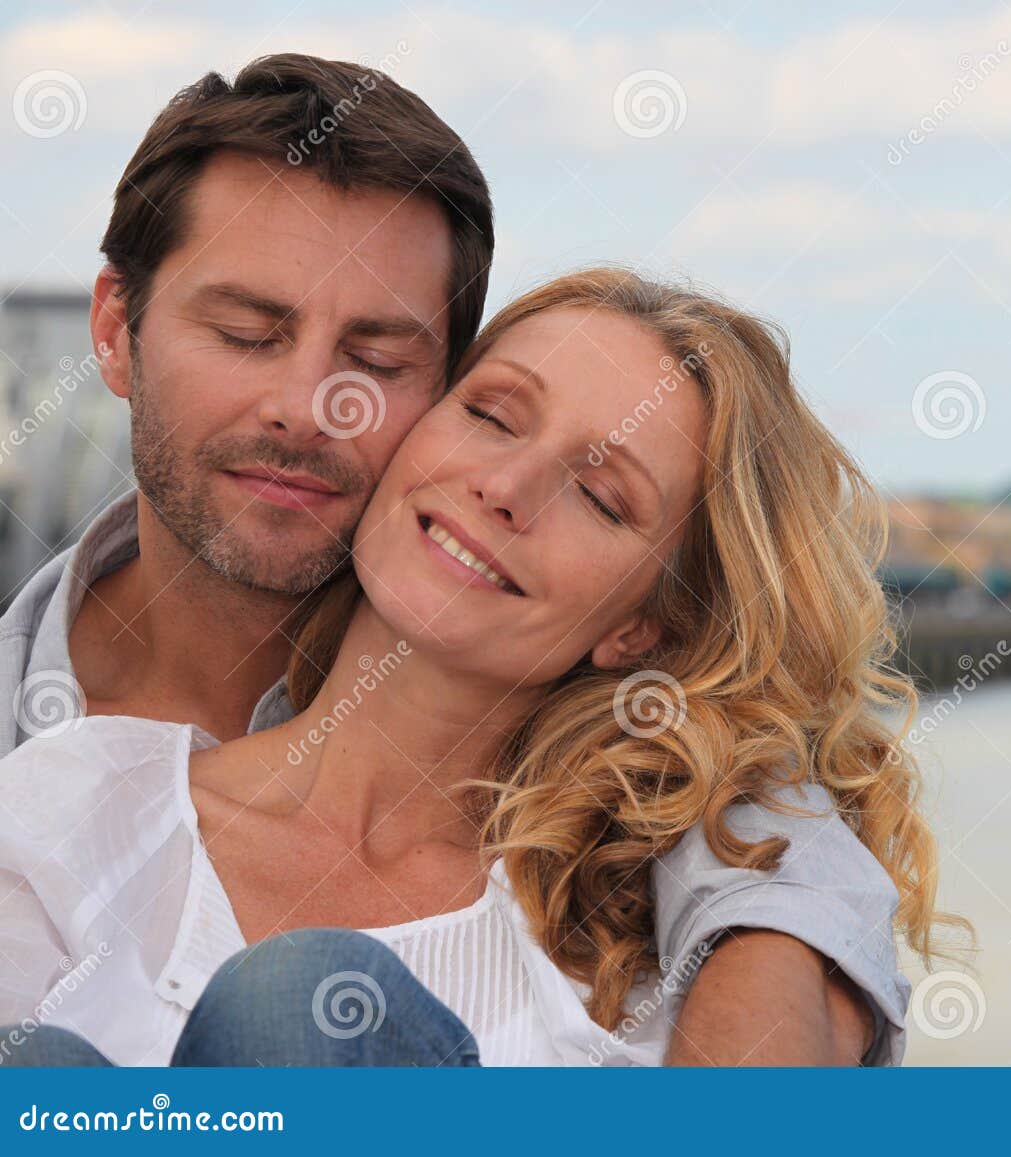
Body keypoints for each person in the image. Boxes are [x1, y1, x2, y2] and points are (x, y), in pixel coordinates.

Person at [0, 55, 913, 1064]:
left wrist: (769, 905)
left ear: (640, 623)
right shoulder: (69, 797)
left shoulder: (662, 949)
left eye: (380, 364)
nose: (312, 407)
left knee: (297, 1006)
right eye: (247, 332)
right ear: (115, 334)